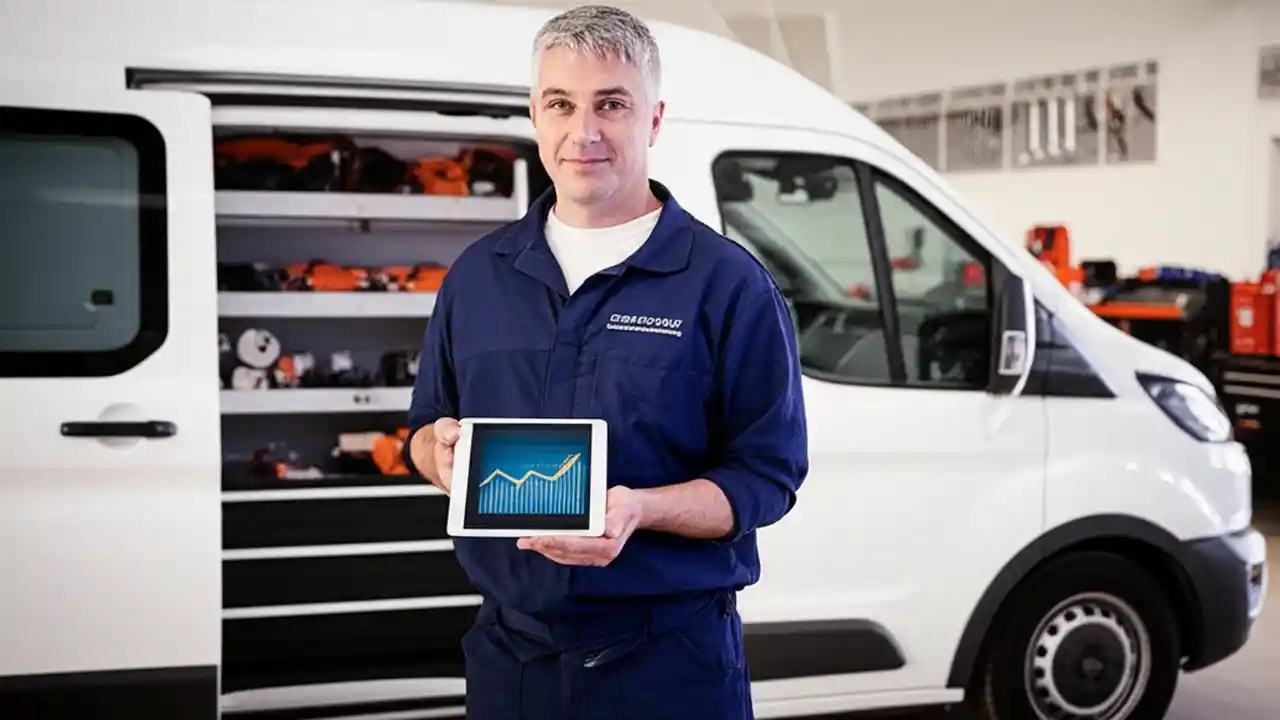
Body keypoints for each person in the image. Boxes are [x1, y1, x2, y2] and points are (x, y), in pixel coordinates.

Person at [404, 5, 808, 718]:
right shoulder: (477, 277)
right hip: (511, 664)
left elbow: (766, 478)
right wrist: (437, 457)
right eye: (561, 104)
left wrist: (641, 511)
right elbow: (423, 429)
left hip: (669, 665)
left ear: (654, 120)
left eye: (611, 104)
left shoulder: (727, 285)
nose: (583, 132)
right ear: (535, 114)